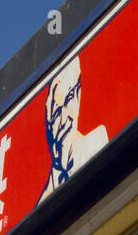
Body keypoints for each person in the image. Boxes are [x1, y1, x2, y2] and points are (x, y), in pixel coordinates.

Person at [37, 57, 109, 205]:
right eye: (57, 112)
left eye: (69, 99)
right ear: (49, 121)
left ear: (77, 96)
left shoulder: (99, 143)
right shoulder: (43, 200)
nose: (64, 118)